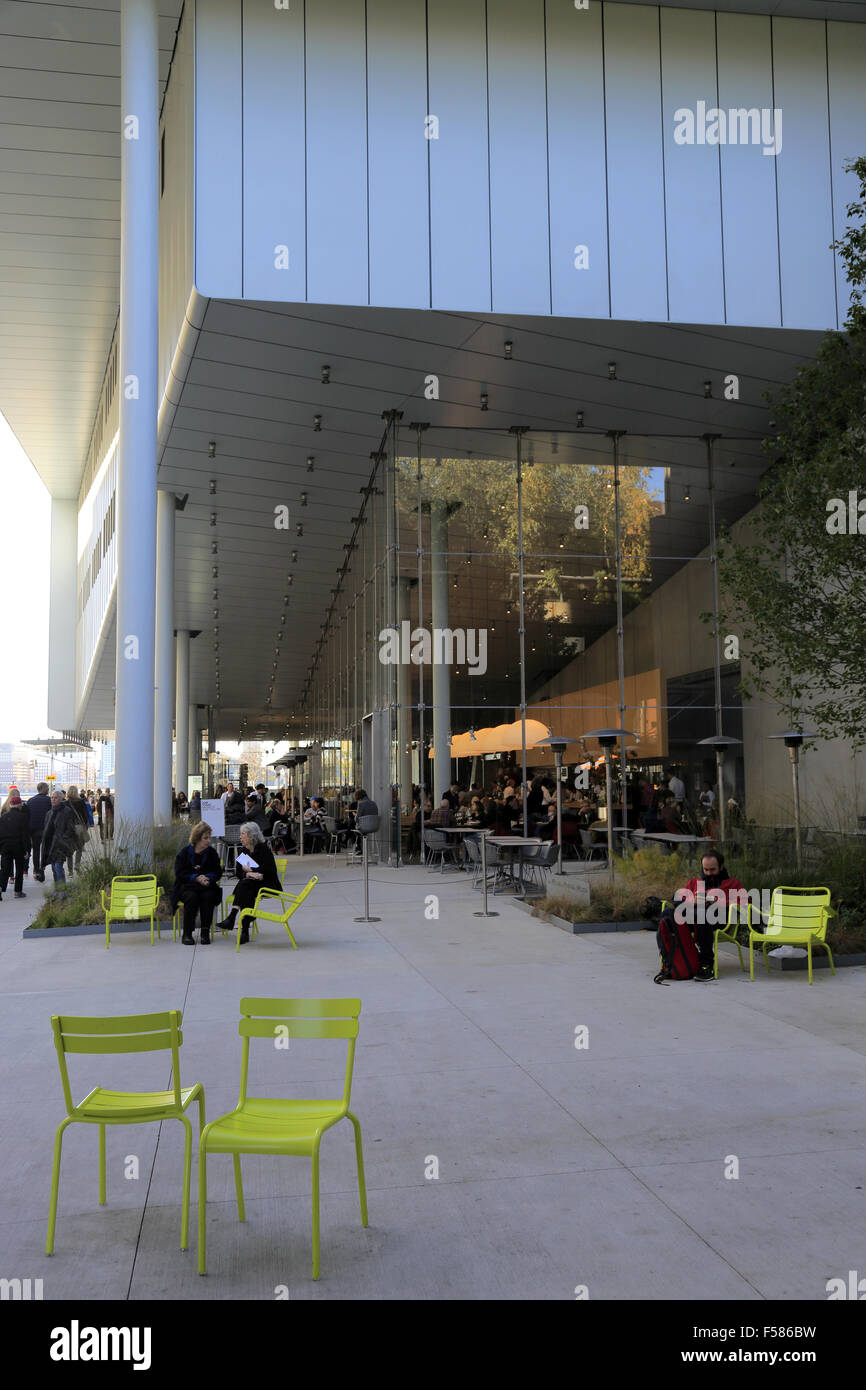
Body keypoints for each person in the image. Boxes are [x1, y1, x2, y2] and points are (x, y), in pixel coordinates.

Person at [664, 851, 746, 981]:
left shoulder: (733, 884)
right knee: (668, 913)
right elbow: (676, 899)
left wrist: (717, 901)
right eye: (705, 869)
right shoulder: (694, 883)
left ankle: (707, 964)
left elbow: (745, 904)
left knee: (702, 915)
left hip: (719, 921)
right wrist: (692, 900)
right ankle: (672, 960)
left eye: (712, 870)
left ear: (721, 866)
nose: (708, 873)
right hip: (694, 920)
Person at [222, 822, 281, 944]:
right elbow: (238, 872)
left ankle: (232, 918)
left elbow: (270, 870)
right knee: (246, 887)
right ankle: (244, 930)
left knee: (245, 886)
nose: (240, 837)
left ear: (251, 836)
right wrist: (247, 874)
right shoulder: (243, 851)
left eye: (242, 834)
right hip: (251, 884)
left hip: (266, 883)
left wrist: (253, 871)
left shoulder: (264, 849)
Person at [171, 821, 222, 945]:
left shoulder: (212, 853)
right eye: (205, 838)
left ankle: (205, 932)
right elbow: (180, 873)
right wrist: (195, 877)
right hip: (187, 886)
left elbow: (217, 871)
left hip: (206, 886)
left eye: (209, 837)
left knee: (208, 896)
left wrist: (207, 877)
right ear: (197, 838)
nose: (208, 841)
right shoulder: (184, 853)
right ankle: (187, 933)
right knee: (191, 897)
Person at [40, 792, 79, 883]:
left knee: (58, 867)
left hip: (61, 844)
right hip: (50, 844)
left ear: (61, 799)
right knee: (54, 868)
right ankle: (58, 891)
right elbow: (46, 829)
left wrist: (63, 840)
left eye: (56, 798)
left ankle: (62, 892)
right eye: (52, 798)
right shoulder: (49, 812)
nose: (53, 799)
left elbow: (71, 829)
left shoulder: (67, 811)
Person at [0, 793, 31, 899]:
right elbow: (25, 834)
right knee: (19, 869)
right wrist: (27, 849)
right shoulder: (23, 817)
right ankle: (18, 891)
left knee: (4, 869)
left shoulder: (3, 817)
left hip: (6, 847)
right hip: (19, 846)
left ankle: (0, 889)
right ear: (19, 805)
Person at [27, 781, 52, 883]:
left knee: (36, 850)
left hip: (33, 829)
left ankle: (35, 870)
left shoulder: (30, 801)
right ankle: (42, 869)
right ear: (43, 789)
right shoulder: (48, 800)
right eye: (47, 788)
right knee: (45, 849)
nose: (48, 790)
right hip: (45, 829)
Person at [65, 786, 90, 875]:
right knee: (79, 849)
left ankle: (70, 871)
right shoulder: (81, 802)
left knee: (69, 851)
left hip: (69, 829)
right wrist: (84, 826)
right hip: (80, 828)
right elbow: (86, 816)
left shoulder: (65, 803)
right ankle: (77, 866)